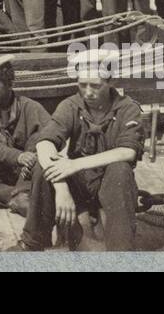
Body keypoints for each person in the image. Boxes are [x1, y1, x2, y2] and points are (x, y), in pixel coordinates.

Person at [21, 49, 143, 251]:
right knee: (43, 168)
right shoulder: (71, 105)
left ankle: (121, 252)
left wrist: (73, 164)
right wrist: (60, 188)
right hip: (78, 183)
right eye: (82, 85)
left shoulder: (127, 108)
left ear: (111, 81)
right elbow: (44, 143)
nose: (87, 92)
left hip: (110, 184)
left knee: (121, 169)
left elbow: (127, 151)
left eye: (95, 86)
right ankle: (33, 242)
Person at [0, 56, 51, 214]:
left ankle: (22, 194)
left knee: (38, 141)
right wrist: (19, 157)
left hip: (26, 170)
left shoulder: (31, 107)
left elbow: (52, 135)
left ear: (9, 85)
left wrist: (34, 156)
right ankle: (16, 197)